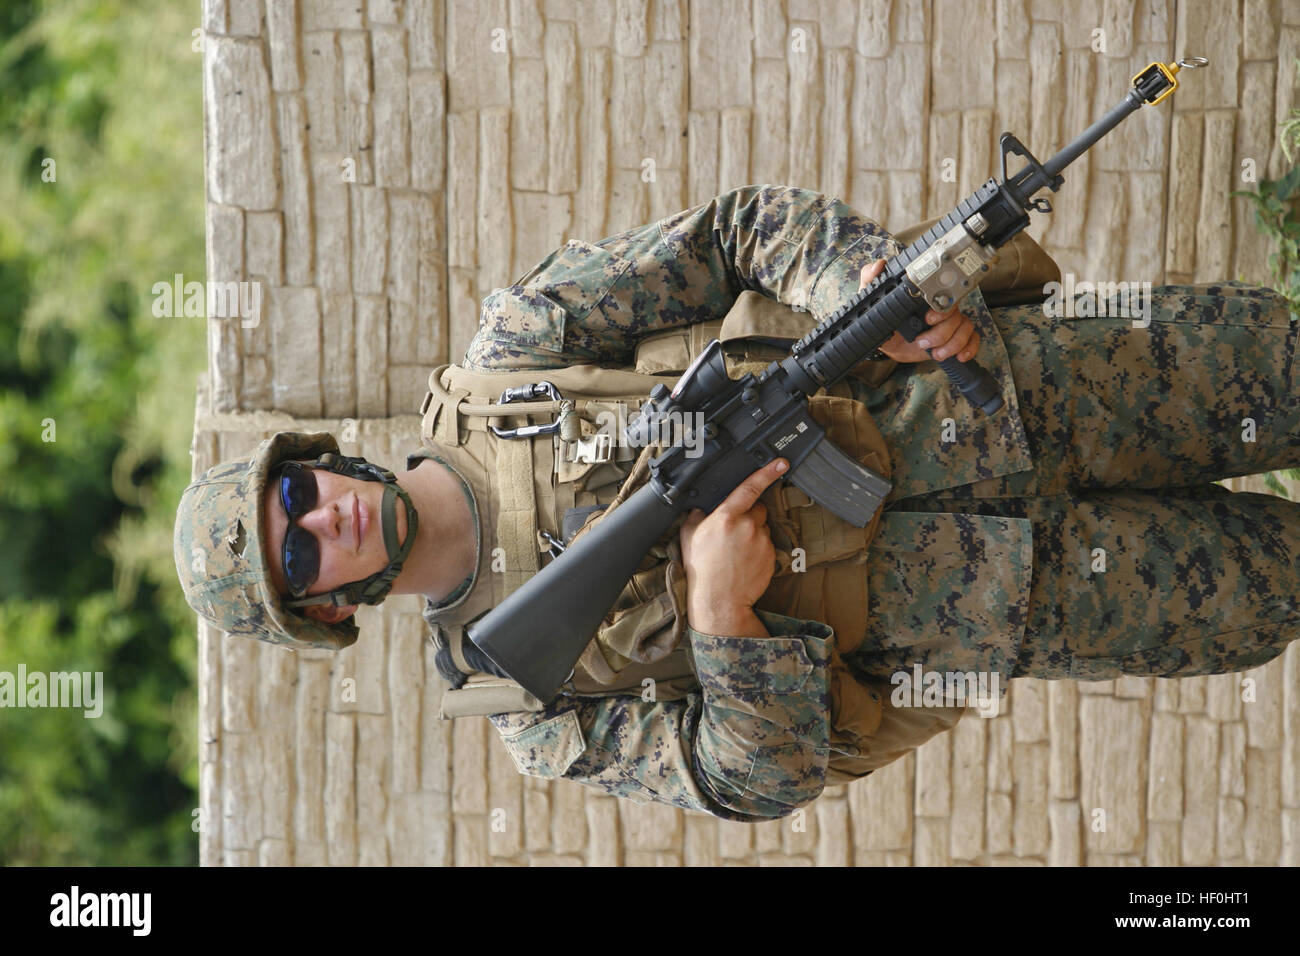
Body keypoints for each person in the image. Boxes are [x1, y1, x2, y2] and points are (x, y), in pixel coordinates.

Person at [174, 185, 1300, 823]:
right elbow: (752, 778)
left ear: (318, 462)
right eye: (296, 556)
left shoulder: (517, 348)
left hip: (1023, 380)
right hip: (1037, 597)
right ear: (326, 611)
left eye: (294, 492)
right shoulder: (527, 703)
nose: (319, 520)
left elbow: (732, 234)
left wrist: (867, 290)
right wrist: (724, 623)